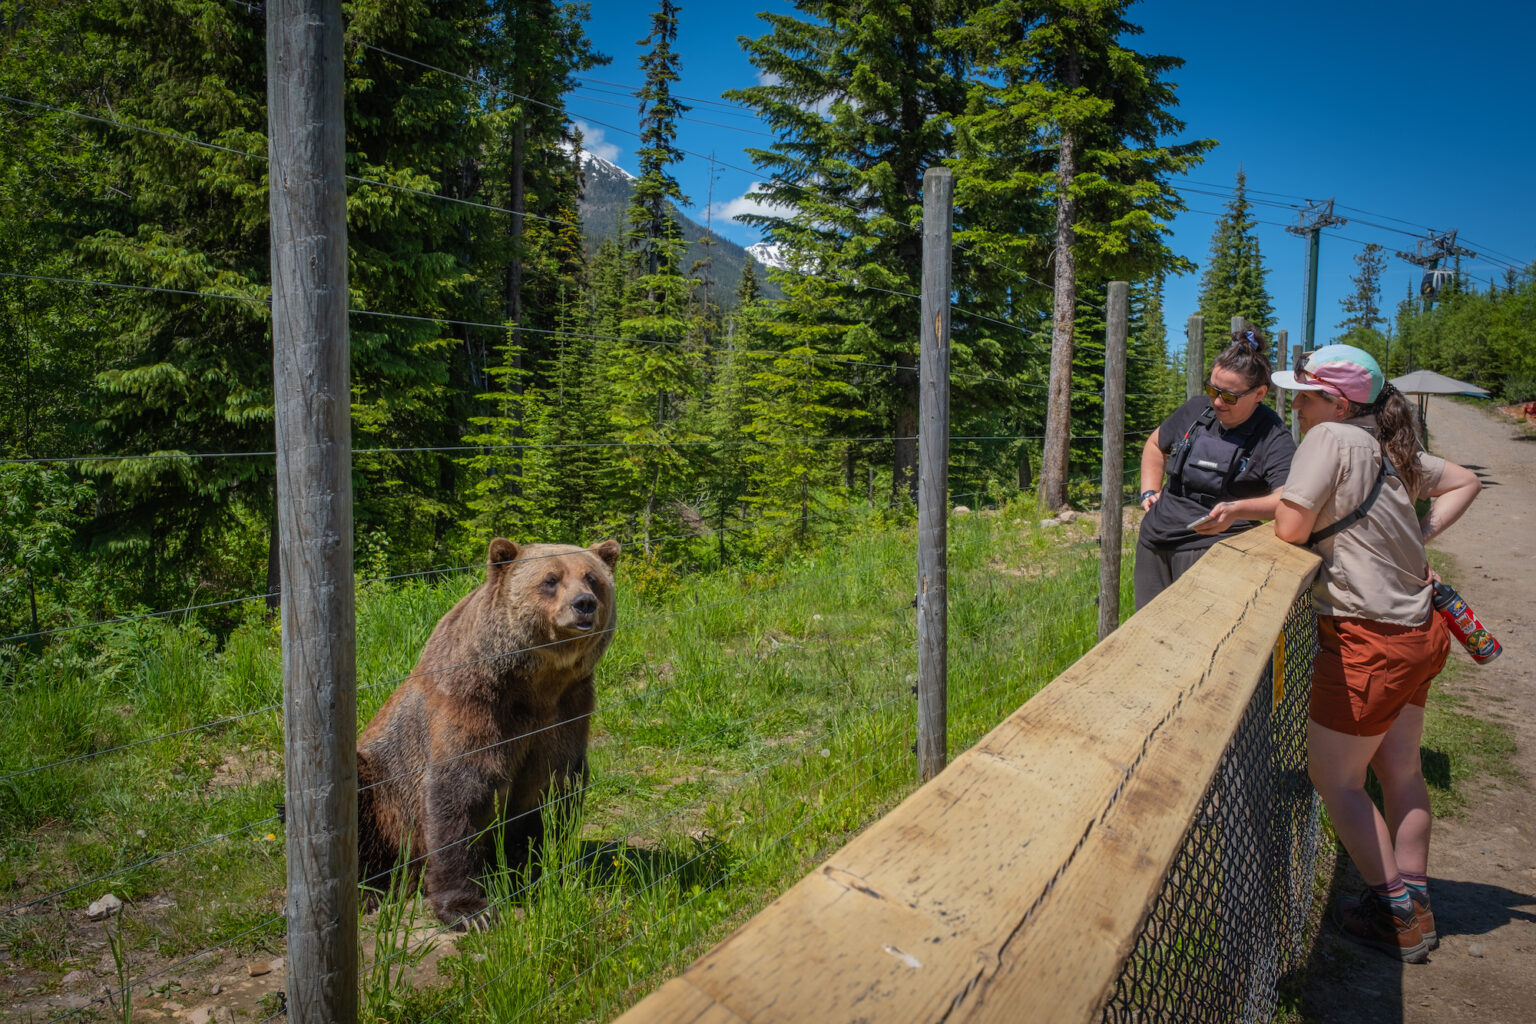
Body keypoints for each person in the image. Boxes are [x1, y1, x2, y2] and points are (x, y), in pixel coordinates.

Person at [1271, 344, 1481, 963]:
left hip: (1367, 639)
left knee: (1335, 780)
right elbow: (1465, 481)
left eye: (1305, 397)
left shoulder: (1330, 438)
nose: (1296, 408)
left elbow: (1289, 529)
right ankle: (1416, 902)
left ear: (1337, 403)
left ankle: (1394, 917)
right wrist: (1418, 535)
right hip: (1418, 631)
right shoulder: (1388, 445)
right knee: (1402, 771)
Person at [1134, 327, 1296, 609]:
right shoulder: (1196, 409)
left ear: (1259, 393)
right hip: (1155, 541)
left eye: (1230, 397)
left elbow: (1287, 498)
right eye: (1212, 389)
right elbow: (1156, 444)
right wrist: (1149, 490)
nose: (1218, 402)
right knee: (1146, 628)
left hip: (1217, 552)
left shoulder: (1273, 435)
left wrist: (1237, 510)